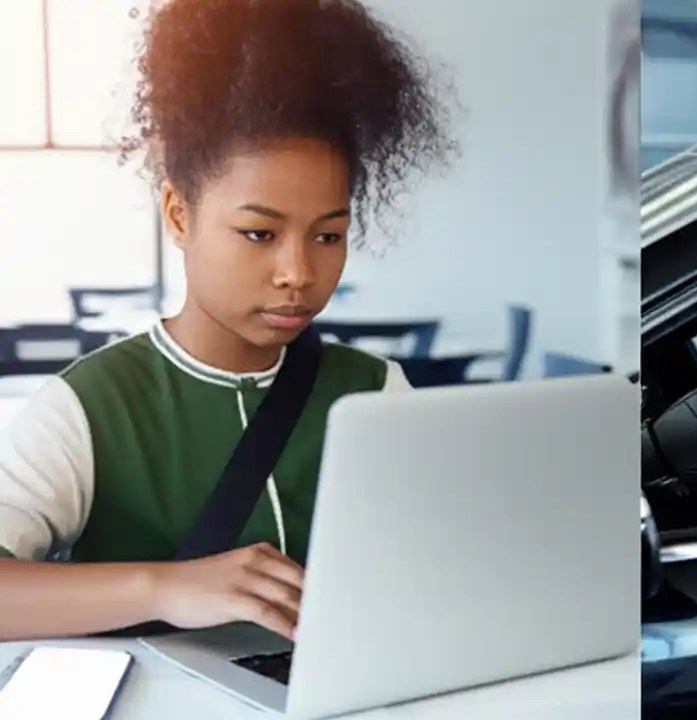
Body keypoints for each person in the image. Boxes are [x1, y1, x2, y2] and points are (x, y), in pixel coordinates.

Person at [0, 0, 452, 642]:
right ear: (179, 216)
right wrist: (165, 586)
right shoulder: (90, 407)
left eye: (327, 236)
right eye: (259, 233)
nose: (297, 272)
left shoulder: (376, 391)